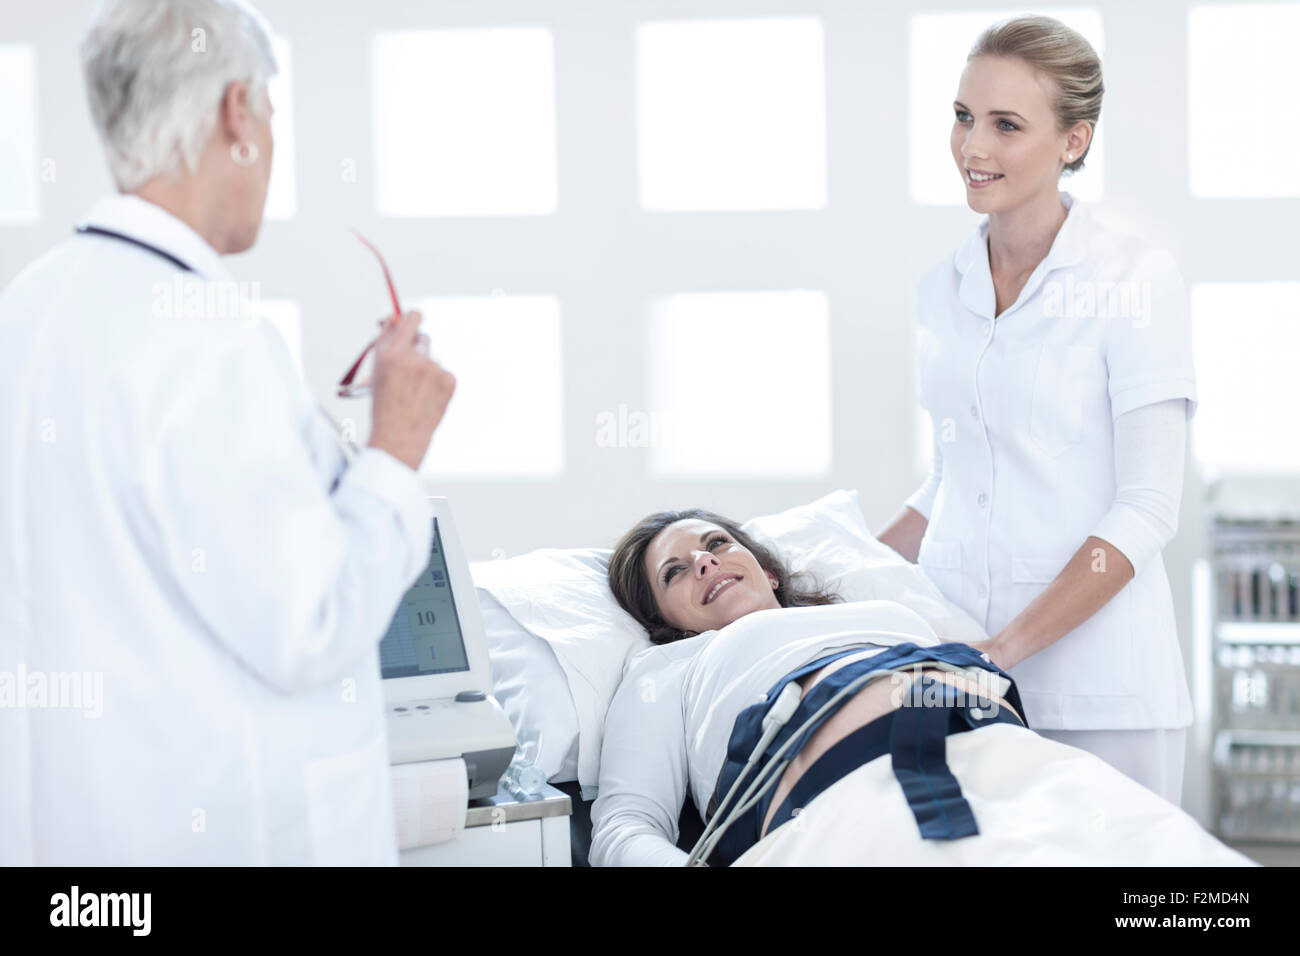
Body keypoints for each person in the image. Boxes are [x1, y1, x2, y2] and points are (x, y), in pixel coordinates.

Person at [0, 0, 454, 864]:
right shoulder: (208, 341)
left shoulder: (24, 312)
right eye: (273, 115)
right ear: (236, 111)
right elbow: (310, 623)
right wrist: (396, 451)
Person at [875, 16, 1195, 804]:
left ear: (1073, 141)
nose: (972, 147)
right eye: (962, 116)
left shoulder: (1133, 279)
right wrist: (822, 570)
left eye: (1006, 125)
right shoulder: (939, 289)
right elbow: (952, 479)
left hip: (1101, 694)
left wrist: (1005, 649)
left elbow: (1147, 508)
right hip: (967, 685)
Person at [592, 510, 1026, 866]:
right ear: (669, 624)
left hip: (1006, 762)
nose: (705, 562)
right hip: (842, 807)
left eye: (717, 543)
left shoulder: (878, 613)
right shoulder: (668, 668)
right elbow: (624, 828)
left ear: (768, 572)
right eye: (675, 572)